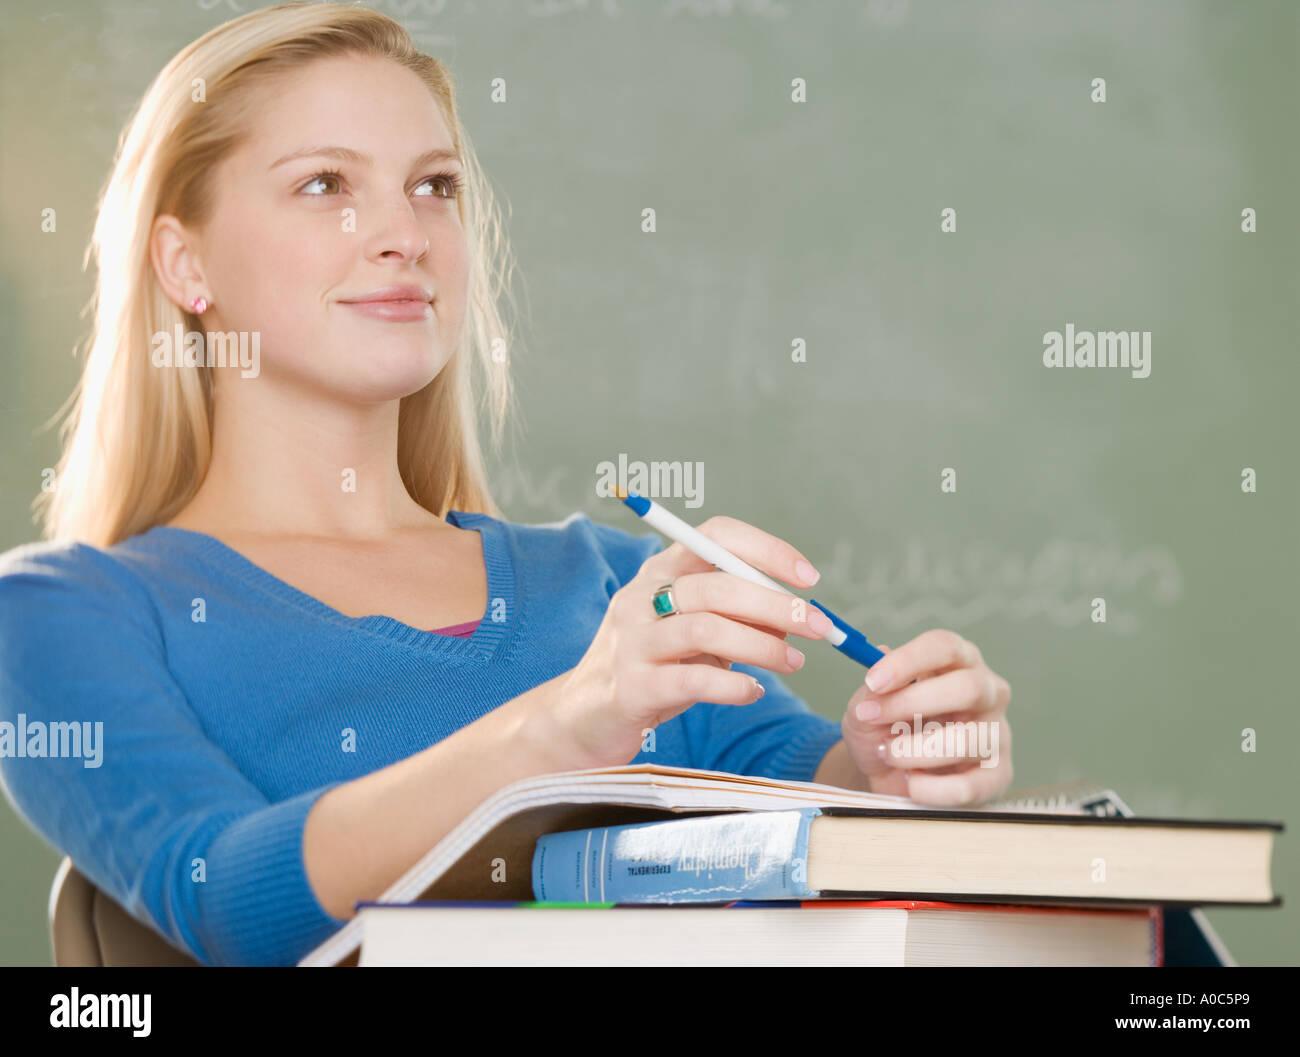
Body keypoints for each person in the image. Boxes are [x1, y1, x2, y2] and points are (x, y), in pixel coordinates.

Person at [0, 3, 1011, 966]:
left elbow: (804, 799)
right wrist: (563, 727)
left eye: (434, 185)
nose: (406, 232)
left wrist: (888, 766)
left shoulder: (613, 583)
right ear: (184, 263)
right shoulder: (66, 612)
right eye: (324, 184)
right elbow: (223, 898)